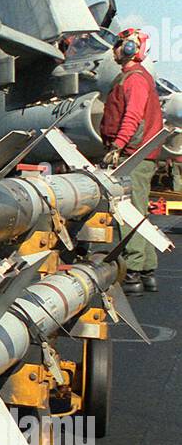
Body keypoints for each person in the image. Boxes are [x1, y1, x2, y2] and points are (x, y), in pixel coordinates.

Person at [100, 27, 164, 294]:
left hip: (133, 155)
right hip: (142, 153)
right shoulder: (138, 77)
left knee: (130, 213)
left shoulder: (134, 79)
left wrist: (118, 145)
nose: (114, 49)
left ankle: (133, 271)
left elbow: (133, 116)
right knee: (139, 209)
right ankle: (146, 269)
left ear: (128, 48)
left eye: (118, 44)